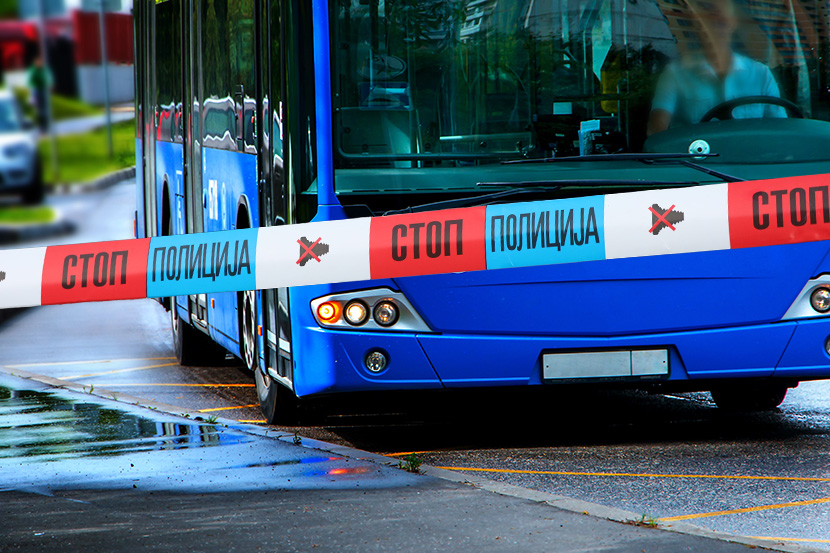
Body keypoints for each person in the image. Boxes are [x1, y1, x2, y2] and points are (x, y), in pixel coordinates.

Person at [647, 0, 786, 136]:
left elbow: (780, 131)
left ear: (733, 22)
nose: (714, 25)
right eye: (708, 19)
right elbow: (656, 131)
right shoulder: (675, 75)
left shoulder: (761, 75)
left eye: (721, 19)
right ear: (698, 24)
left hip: (752, 157)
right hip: (696, 158)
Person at [26, 55, 52, 132]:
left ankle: (46, 127)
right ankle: (41, 128)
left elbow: (48, 78)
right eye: (38, 61)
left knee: (45, 110)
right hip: (37, 91)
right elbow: (30, 82)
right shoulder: (33, 70)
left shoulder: (44, 69)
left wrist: (49, 85)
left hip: (43, 90)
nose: (40, 63)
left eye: (41, 61)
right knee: (39, 111)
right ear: (35, 62)